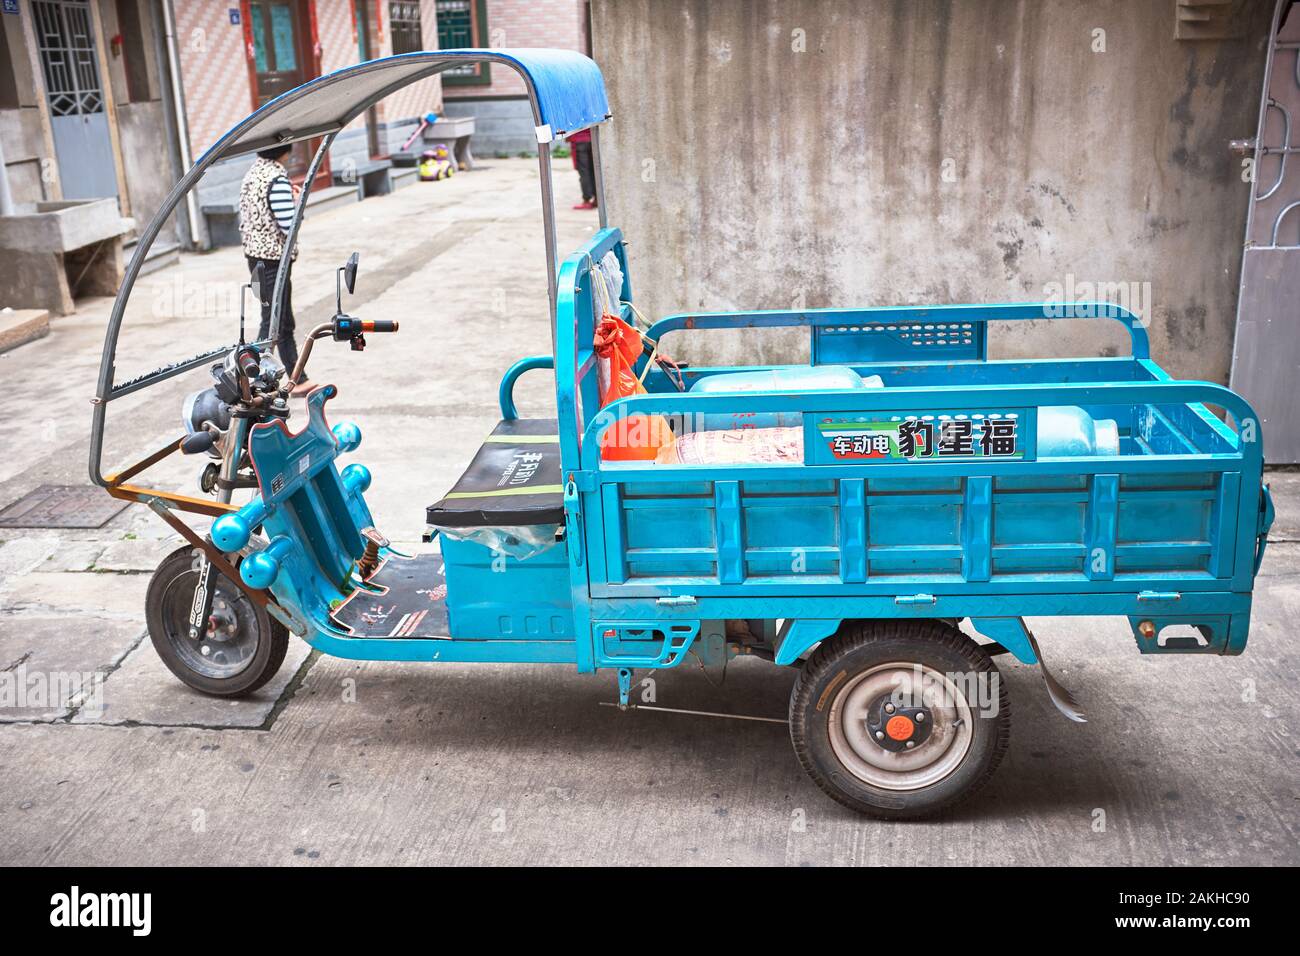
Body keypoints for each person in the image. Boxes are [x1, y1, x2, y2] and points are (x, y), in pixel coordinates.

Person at [239, 144, 309, 392]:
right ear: (285, 150)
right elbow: (289, 226)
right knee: (272, 323)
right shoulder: (276, 179)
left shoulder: (253, 174)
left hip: (255, 258)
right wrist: (298, 202)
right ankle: (254, 381)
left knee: (280, 320)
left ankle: (297, 377)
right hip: (273, 262)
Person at [569, 128, 596, 210]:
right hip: (592, 139)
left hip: (579, 140)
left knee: (584, 172)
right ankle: (597, 199)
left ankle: (587, 200)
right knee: (594, 170)